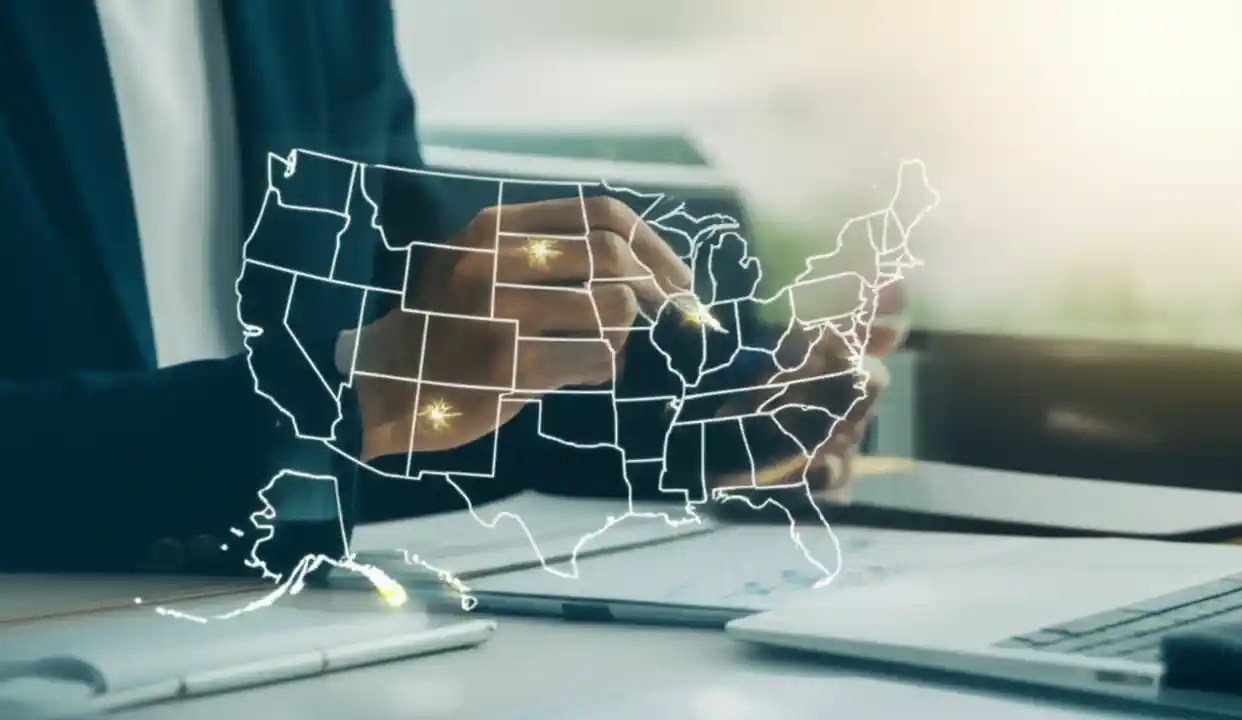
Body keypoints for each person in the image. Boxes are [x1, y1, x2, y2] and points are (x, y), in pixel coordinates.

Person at [0, 1, 902, 577]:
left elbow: (426, 391)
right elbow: (373, 387)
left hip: (293, 624)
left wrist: (711, 422)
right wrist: (353, 395)